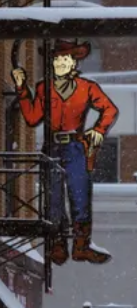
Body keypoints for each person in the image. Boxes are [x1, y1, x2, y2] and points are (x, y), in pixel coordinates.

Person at [13, 38, 120, 265]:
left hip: (75, 145)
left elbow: (109, 109)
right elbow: (32, 116)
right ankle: (58, 244)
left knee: (79, 193)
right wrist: (22, 89)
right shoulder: (44, 88)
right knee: (53, 196)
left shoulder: (87, 87)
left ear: (74, 62)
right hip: (51, 146)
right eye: (56, 59)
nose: (60, 63)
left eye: (65, 59)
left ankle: (81, 245)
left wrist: (98, 130)